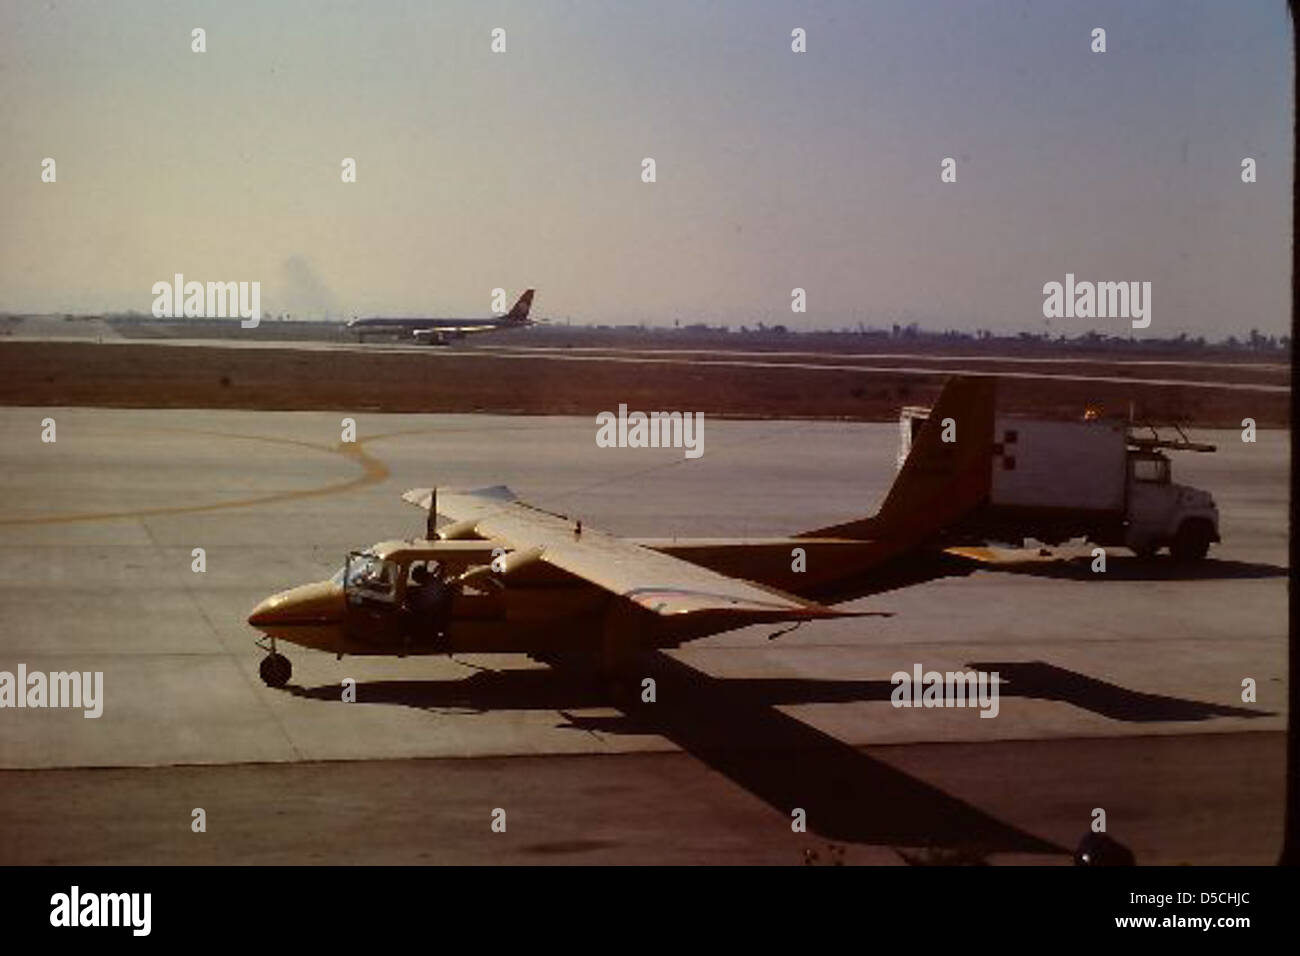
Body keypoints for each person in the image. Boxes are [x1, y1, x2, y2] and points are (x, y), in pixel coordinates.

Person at [405, 561, 453, 647]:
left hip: (431, 614)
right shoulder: (433, 582)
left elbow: (424, 604)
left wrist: (411, 606)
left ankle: (411, 638)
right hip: (434, 612)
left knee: (406, 615)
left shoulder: (432, 586)